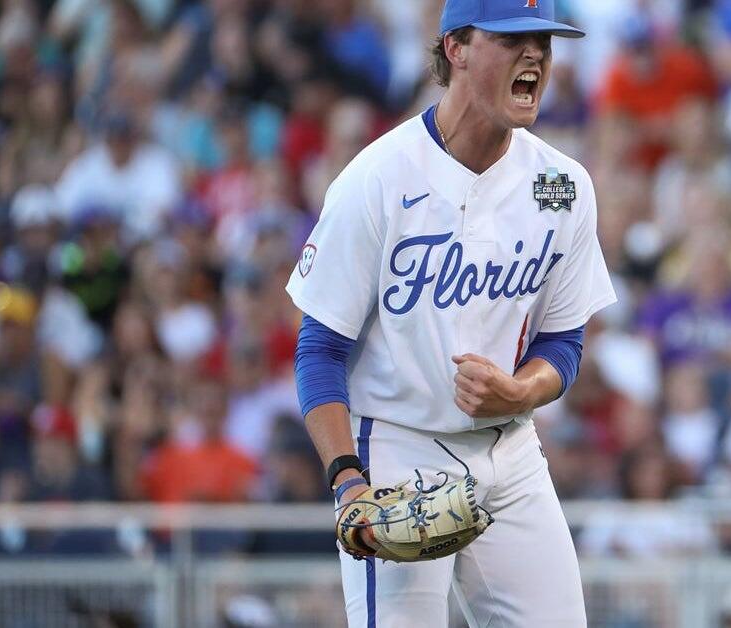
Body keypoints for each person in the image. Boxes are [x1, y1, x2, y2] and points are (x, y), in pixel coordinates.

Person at [286, 1, 616, 626]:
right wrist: (348, 480)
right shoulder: (377, 178)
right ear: (455, 48)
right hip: (396, 449)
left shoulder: (561, 184)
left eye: (543, 40)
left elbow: (563, 341)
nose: (535, 54)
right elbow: (319, 349)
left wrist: (522, 391)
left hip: (512, 452)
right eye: (512, 39)